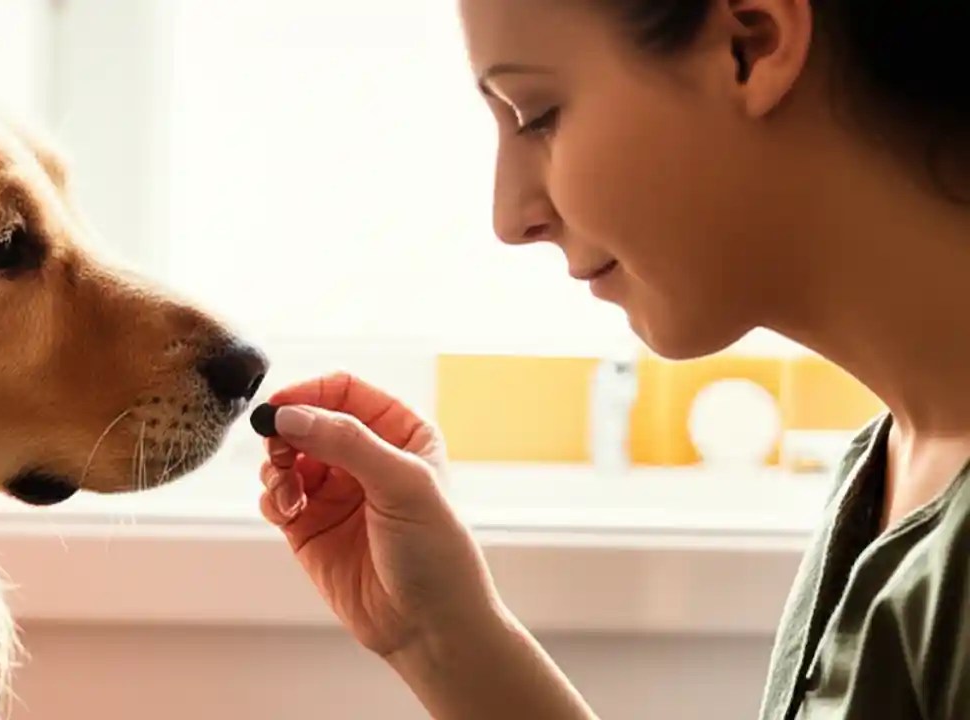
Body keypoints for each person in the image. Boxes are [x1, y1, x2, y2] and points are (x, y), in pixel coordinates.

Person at [254, 1, 970, 718]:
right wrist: (434, 634)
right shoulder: (892, 468)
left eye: (537, 114)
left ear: (750, 44)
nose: (511, 217)